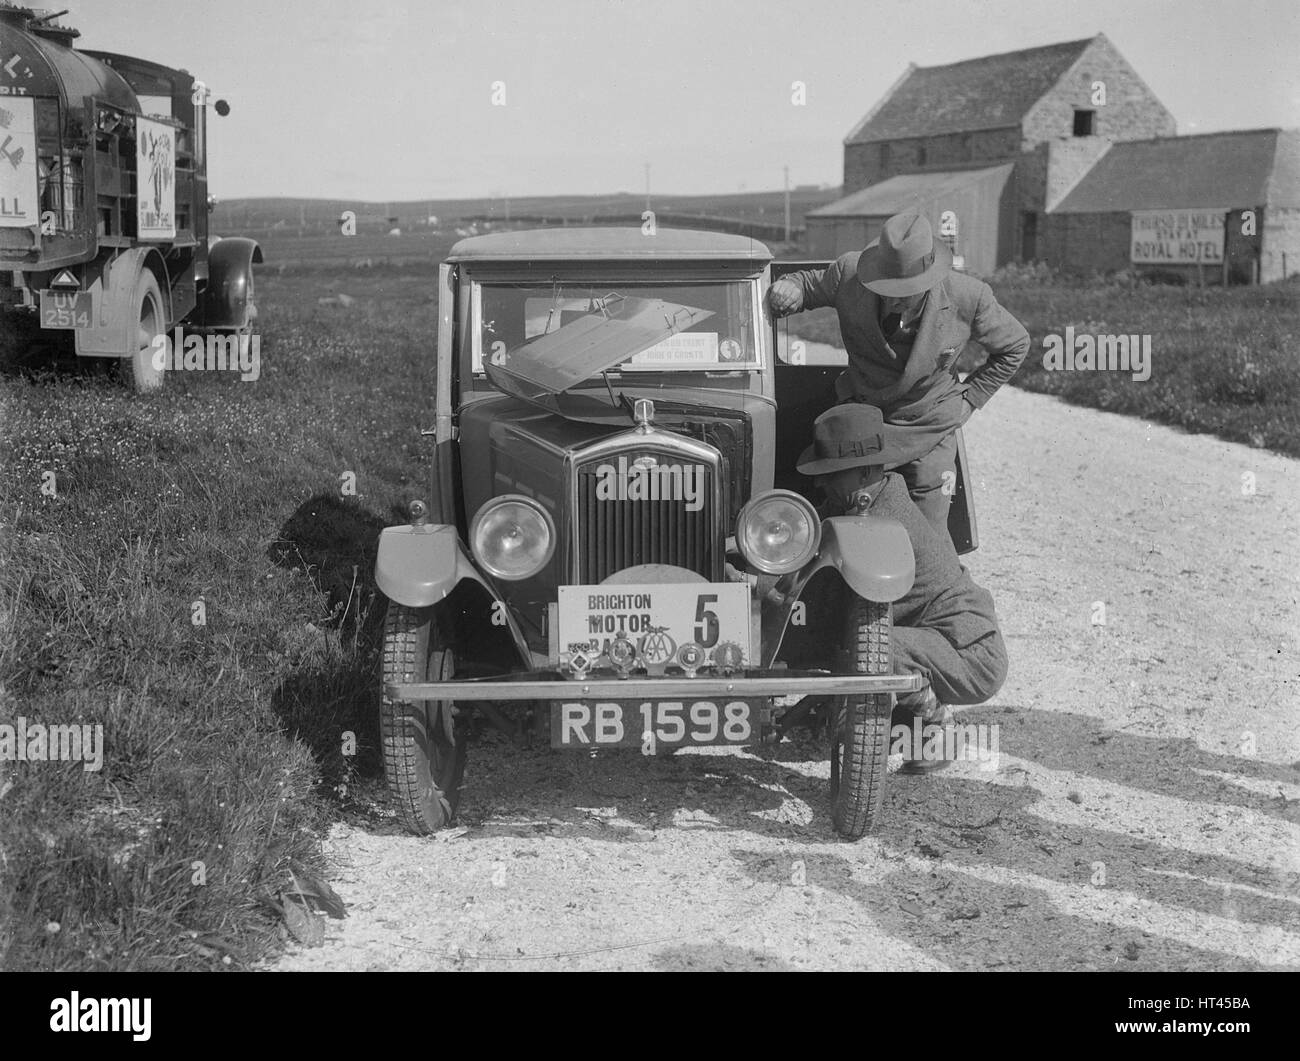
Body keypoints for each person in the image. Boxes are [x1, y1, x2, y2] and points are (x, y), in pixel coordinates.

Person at [771, 211, 1029, 539]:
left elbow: (1016, 345)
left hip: (929, 424)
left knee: (927, 535)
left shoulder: (968, 296)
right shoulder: (848, 274)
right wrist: (789, 288)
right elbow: (806, 285)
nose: (893, 299)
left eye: (905, 291)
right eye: (885, 287)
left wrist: (969, 401)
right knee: (850, 526)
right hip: (864, 424)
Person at [797, 403, 1008, 772]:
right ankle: (911, 724)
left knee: (873, 647)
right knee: (867, 647)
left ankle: (941, 728)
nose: (820, 481)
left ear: (864, 471)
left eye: (830, 473)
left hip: (971, 655)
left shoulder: (883, 519)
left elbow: (824, 591)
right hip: (939, 641)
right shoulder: (870, 495)